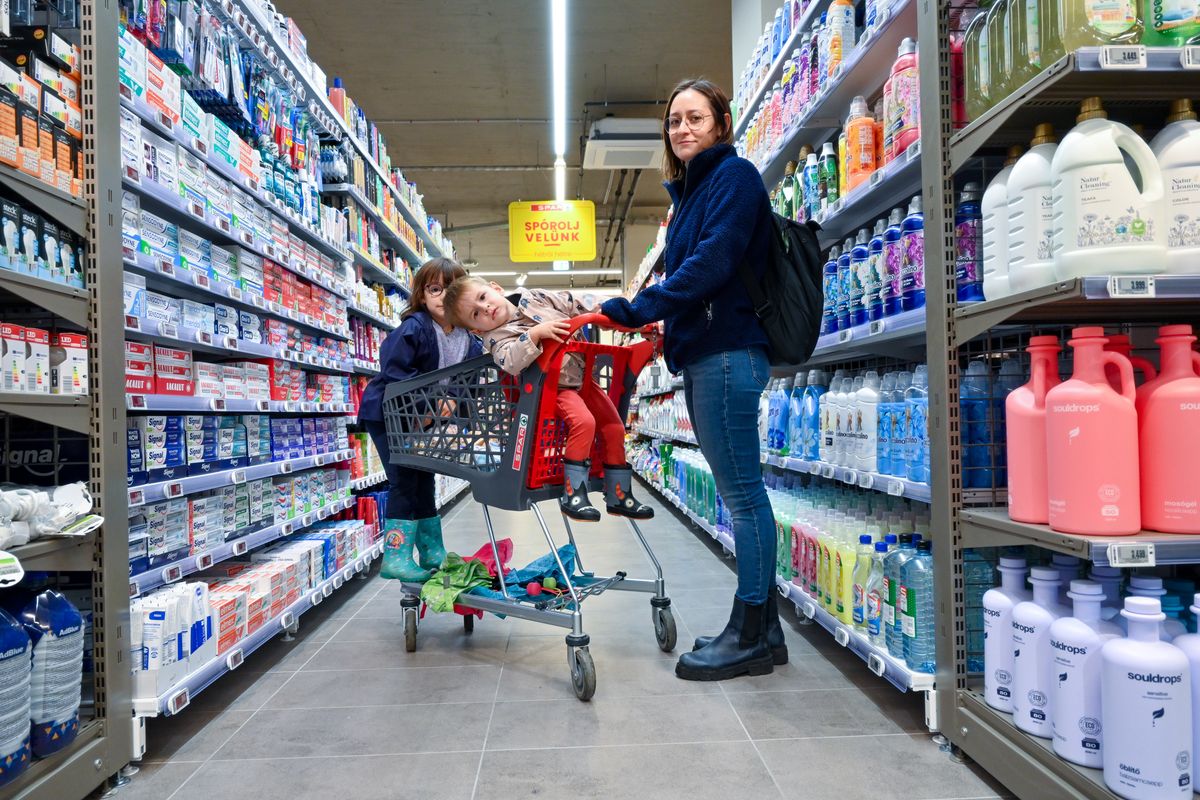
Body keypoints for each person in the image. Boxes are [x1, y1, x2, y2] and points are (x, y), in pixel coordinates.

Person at [599, 78, 786, 682]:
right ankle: (767, 630)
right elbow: (696, 276)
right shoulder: (692, 193)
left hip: (728, 354)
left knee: (743, 497)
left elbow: (712, 264)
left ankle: (750, 631)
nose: (683, 129)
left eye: (695, 118)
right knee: (743, 493)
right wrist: (663, 330)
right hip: (709, 353)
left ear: (721, 124)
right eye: (674, 121)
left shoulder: (734, 179)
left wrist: (631, 309)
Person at [442, 276, 654, 522]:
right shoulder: (495, 339)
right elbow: (510, 361)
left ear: (495, 288)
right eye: (476, 314)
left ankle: (619, 495)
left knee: (614, 426)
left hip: (584, 379)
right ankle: (573, 494)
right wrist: (533, 335)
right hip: (552, 388)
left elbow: (574, 301)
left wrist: (622, 313)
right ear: (476, 330)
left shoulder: (536, 298)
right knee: (584, 423)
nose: (486, 309)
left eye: (482, 298)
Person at [358, 258, 482, 582]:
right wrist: (433, 402)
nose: (442, 296)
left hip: (426, 420)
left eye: (451, 290)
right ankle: (396, 556)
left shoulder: (467, 338)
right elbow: (394, 370)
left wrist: (456, 406)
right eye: (434, 289)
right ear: (422, 295)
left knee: (424, 478)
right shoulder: (415, 327)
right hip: (388, 415)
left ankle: (431, 550)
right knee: (404, 479)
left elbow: (470, 380)